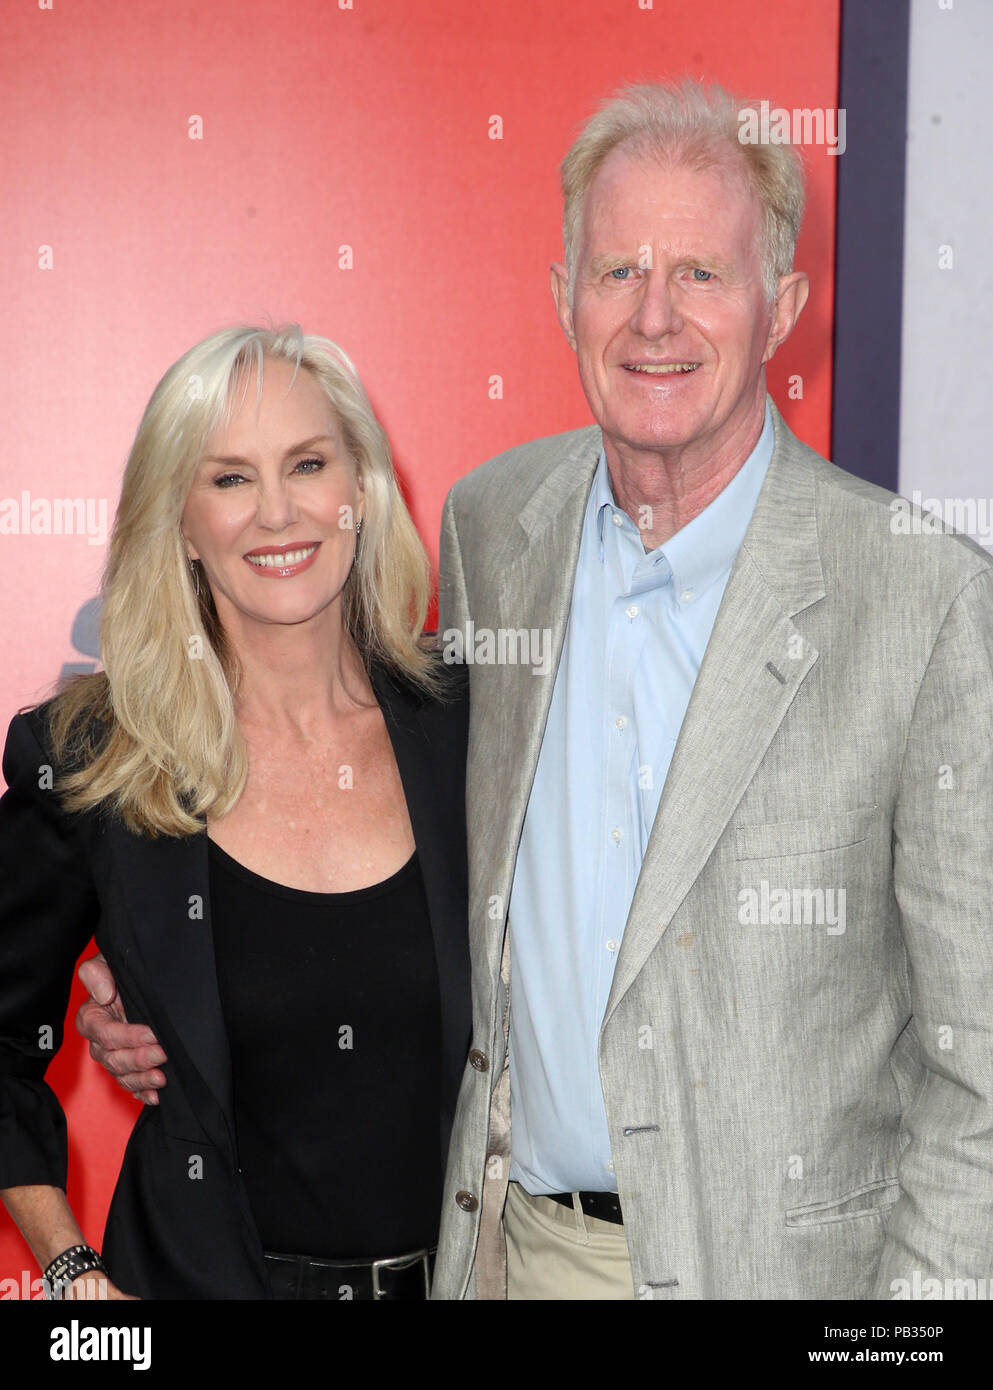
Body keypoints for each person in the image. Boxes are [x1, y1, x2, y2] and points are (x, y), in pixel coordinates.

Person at [80, 79, 993, 1302]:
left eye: (701, 275)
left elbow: (976, 1056)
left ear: (784, 307)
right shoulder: (494, 530)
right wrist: (164, 982)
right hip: (516, 1260)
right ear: (563, 297)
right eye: (617, 271)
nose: (653, 317)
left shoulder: (924, 598)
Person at [0, 324, 470, 1300]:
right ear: (177, 518)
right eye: (228, 479)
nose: (277, 512)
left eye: (307, 463)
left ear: (361, 490)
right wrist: (71, 1270)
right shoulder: (95, 755)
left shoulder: (470, 727)